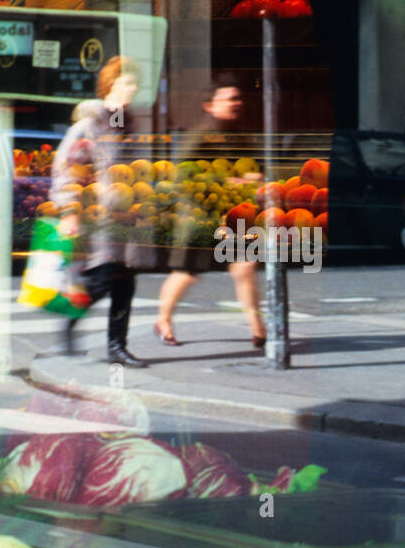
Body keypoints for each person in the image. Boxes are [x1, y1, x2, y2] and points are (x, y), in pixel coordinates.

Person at [153, 78, 268, 349]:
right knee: (186, 272)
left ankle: (258, 329)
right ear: (209, 105)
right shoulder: (198, 136)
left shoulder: (240, 134)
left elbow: (254, 168)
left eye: (238, 98)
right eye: (229, 99)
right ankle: (163, 320)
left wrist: (256, 178)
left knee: (244, 267)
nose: (236, 103)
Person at [50, 56, 147, 367]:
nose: (133, 89)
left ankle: (117, 347)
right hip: (98, 219)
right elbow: (69, 168)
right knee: (102, 280)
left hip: (126, 219)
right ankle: (69, 317)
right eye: (127, 82)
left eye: (135, 83)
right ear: (111, 84)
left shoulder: (130, 124)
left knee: (125, 282)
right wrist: (70, 210)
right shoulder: (90, 124)